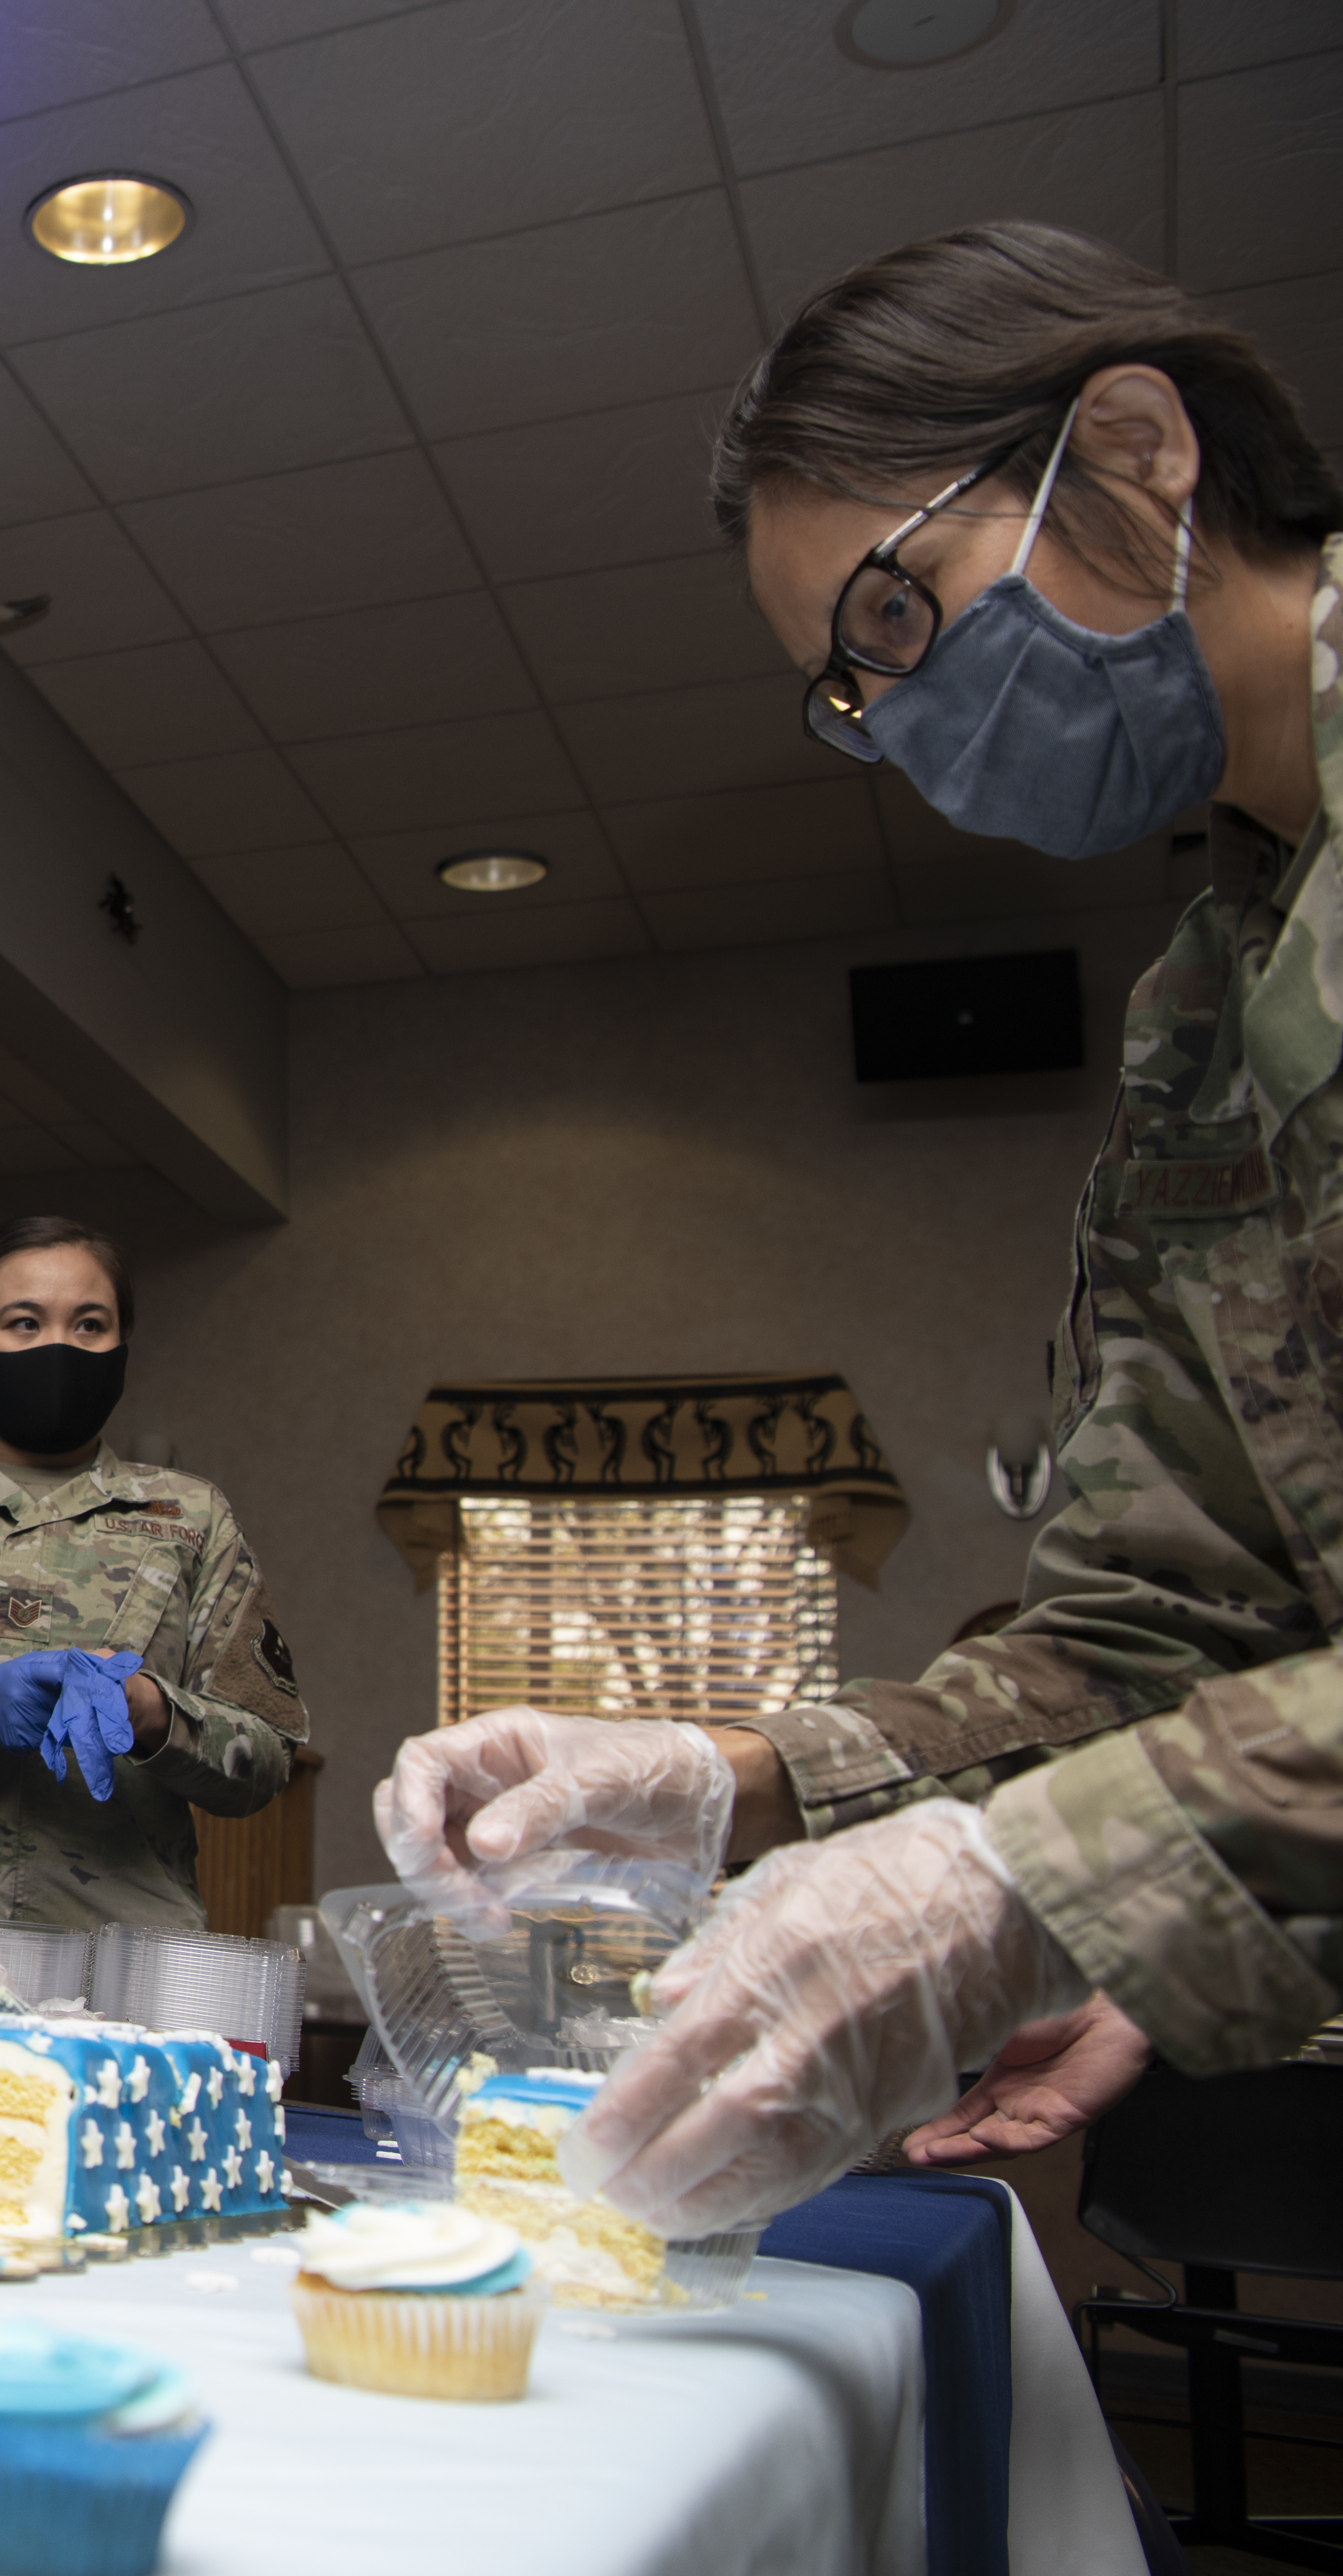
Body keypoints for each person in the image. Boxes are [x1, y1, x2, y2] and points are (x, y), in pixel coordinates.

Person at [377, 222, 1342, 2235]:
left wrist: (1026, 1879)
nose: (895, 717)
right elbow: (1158, 1641)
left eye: (897, 615)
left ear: (1144, 450)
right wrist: (731, 1777)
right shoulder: (1206, 1020)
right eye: (849, 682)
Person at [0, 1215, 300, 1947]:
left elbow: (268, 1762)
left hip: (126, 1960)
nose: (59, 1347)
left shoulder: (191, 1519)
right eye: (24, 1323)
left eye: (89, 1326)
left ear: (121, 1348)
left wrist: (156, 1714)